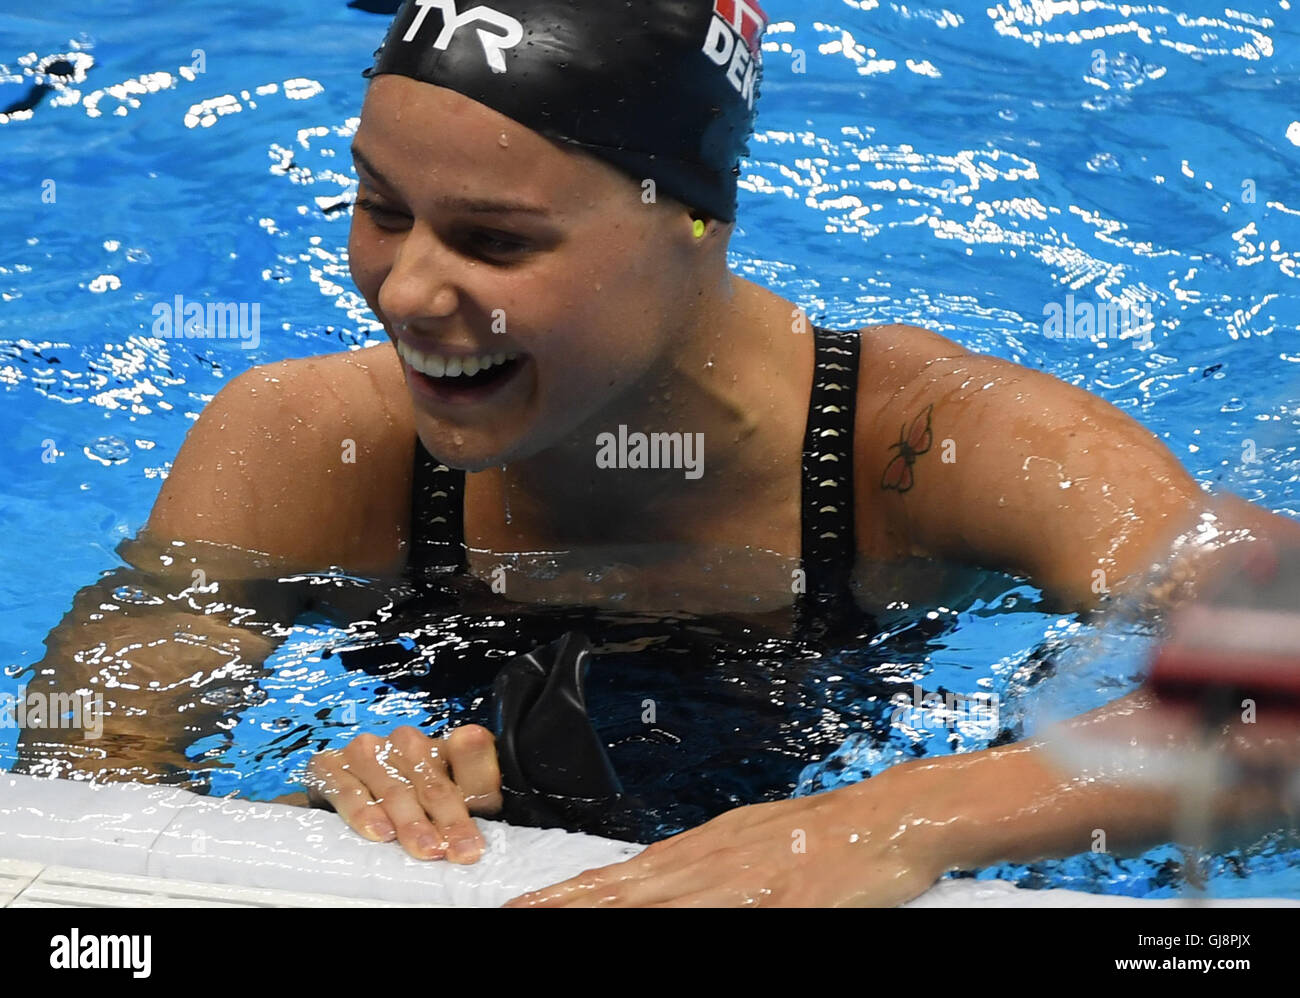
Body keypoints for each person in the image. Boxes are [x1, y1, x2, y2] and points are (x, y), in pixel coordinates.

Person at [16, 0, 1300, 906]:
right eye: (380, 209)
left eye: (495, 241)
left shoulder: (935, 445)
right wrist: (302, 821)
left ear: (696, 220)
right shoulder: (306, 441)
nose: (406, 290)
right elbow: (76, 789)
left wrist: (887, 818)